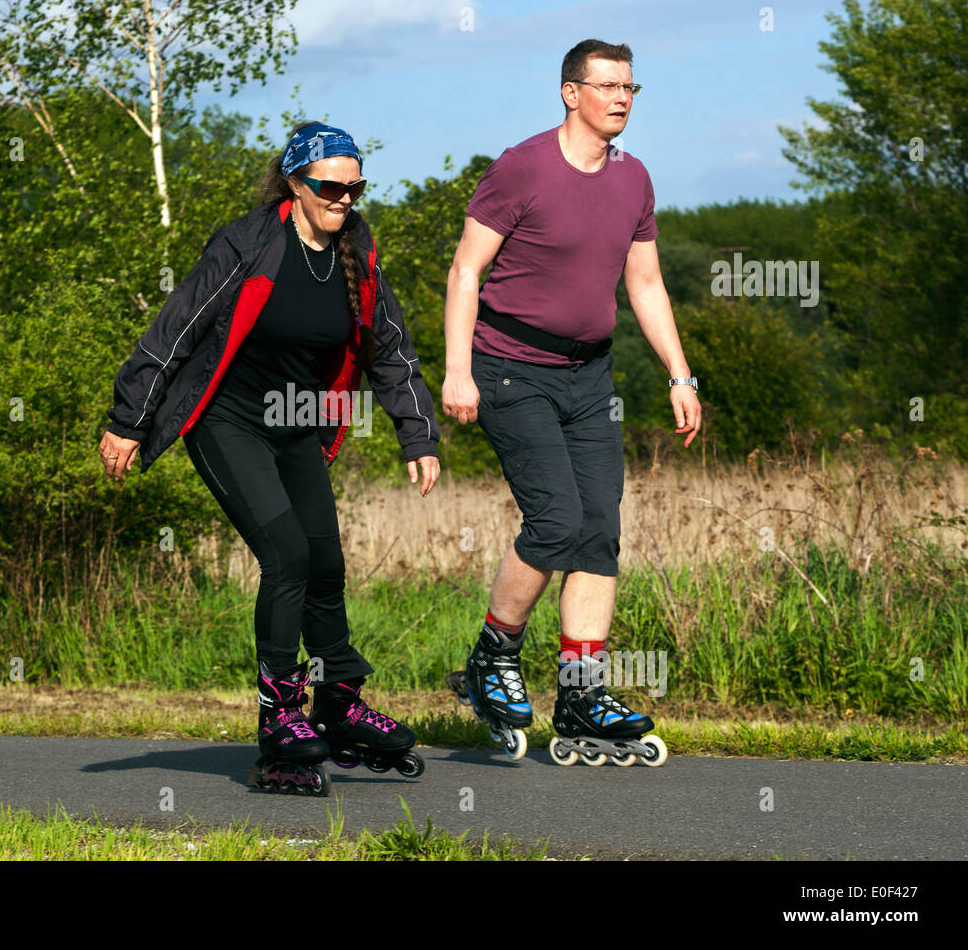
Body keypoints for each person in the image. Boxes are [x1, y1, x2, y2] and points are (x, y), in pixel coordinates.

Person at [100, 122, 440, 793]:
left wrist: (418, 433)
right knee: (285, 554)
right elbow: (178, 327)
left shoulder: (358, 249)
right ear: (295, 182)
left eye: (355, 187)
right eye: (330, 186)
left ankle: (337, 703)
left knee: (325, 561)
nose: (345, 197)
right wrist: (129, 420)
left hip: (298, 426)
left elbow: (391, 344)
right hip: (227, 420)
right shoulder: (250, 241)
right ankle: (280, 716)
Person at [442, 40, 699, 767]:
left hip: (591, 379)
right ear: (569, 92)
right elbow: (467, 269)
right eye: (608, 85)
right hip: (509, 369)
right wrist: (457, 371)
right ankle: (493, 657)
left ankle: (582, 692)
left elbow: (645, 284)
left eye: (631, 86)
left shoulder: (634, 179)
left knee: (598, 531)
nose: (622, 97)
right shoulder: (522, 167)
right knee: (555, 519)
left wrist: (681, 375)